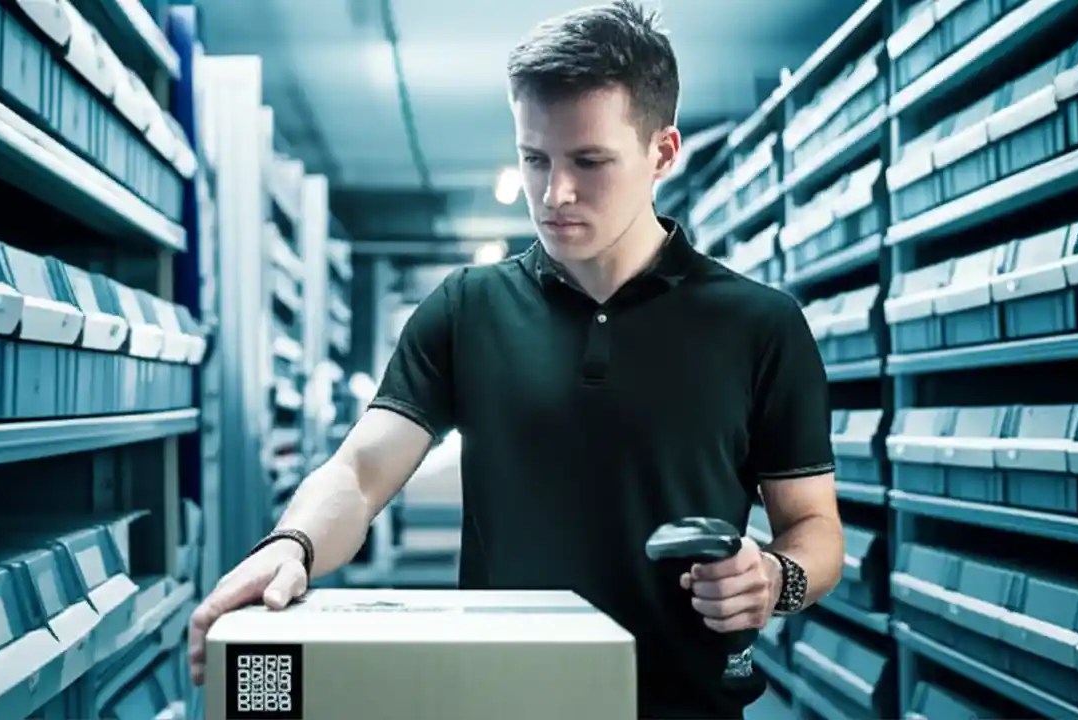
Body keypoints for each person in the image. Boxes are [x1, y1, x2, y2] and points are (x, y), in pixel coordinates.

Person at [189, 1, 844, 717]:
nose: (554, 193)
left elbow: (814, 528)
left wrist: (774, 578)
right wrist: (293, 543)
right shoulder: (469, 308)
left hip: (686, 705)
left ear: (663, 152)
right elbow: (361, 470)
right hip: (500, 697)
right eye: (535, 159)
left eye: (589, 161)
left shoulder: (759, 323)